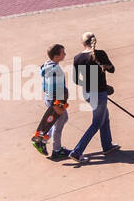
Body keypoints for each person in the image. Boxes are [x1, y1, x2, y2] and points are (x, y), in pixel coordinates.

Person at [68, 32, 120, 163]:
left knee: (104, 117)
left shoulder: (77, 58)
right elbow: (112, 69)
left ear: (82, 43)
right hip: (100, 94)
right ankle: (77, 151)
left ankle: (107, 145)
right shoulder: (100, 54)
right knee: (97, 122)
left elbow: (76, 79)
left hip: (87, 93)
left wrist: (88, 84)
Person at [36, 44, 71, 160]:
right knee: (59, 124)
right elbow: (52, 89)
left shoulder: (47, 65)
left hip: (51, 100)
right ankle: (57, 150)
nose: (65, 54)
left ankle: (43, 139)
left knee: (63, 119)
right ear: (56, 56)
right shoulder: (56, 70)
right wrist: (56, 105)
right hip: (55, 101)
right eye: (62, 53)